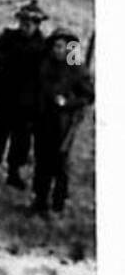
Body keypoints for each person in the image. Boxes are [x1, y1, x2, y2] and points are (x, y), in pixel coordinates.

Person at [0, 0, 47, 192]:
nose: (26, 26)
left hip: (27, 103)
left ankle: (13, 173)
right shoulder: (7, 38)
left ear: (38, 25)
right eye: (23, 22)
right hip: (4, 97)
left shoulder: (44, 47)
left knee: (21, 140)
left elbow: (56, 73)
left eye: (30, 23)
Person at [30, 29, 94, 217]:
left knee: (59, 164)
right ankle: (39, 199)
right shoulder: (45, 64)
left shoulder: (76, 68)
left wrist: (68, 103)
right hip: (43, 119)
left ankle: (58, 203)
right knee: (41, 160)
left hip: (63, 124)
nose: (57, 50)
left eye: (61, 46)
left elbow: (88, 96)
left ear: (68, 48)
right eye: (54, 46)